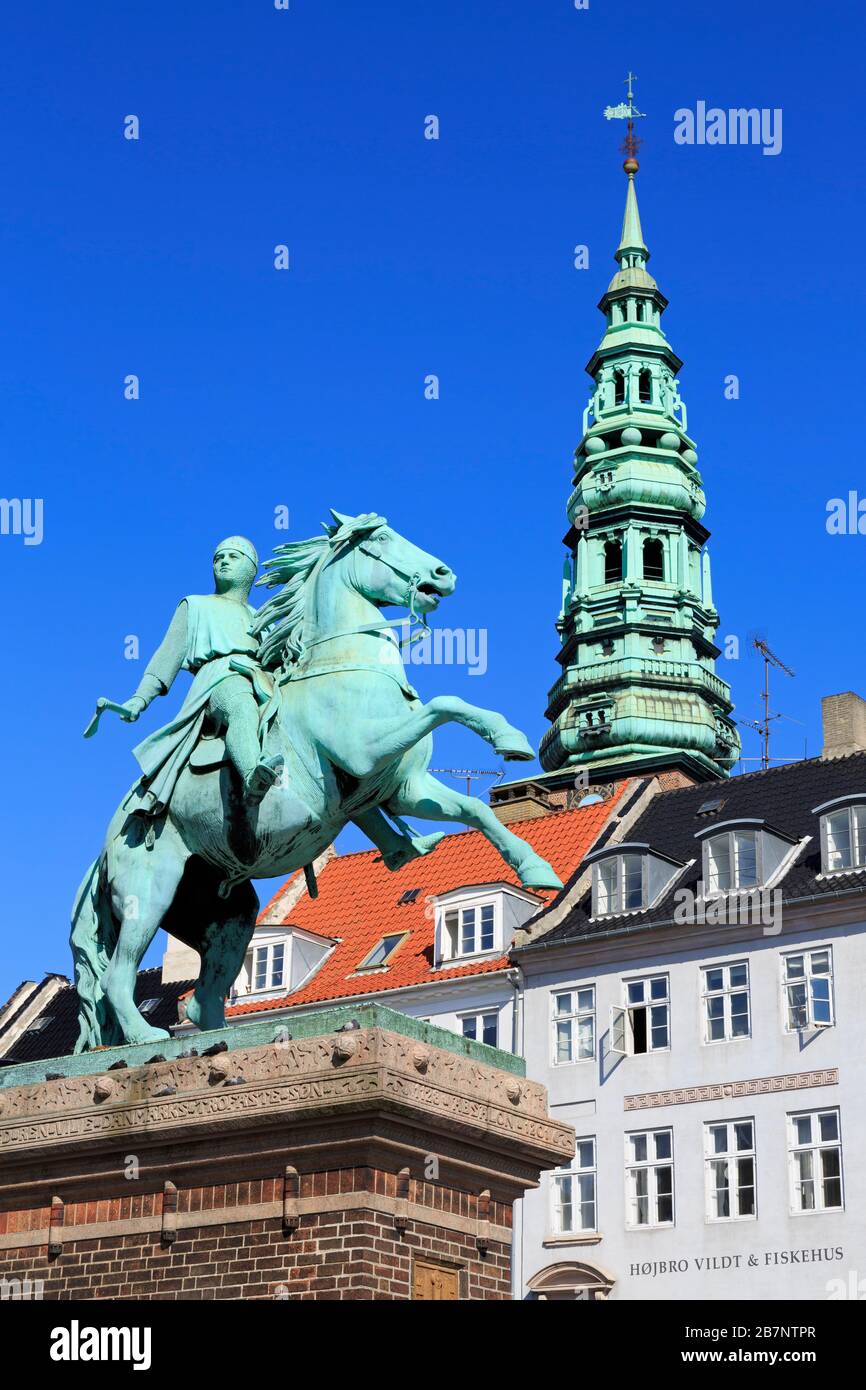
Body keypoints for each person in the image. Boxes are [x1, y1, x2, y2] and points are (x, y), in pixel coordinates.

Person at [119, 536, 283, 815]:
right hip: (220, 677)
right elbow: (166, 657)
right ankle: (252, 775)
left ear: (251, 568)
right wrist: (139, 699)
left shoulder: (262, 617)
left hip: (262, 681)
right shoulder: (195, 605)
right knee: (241, 704)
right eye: (218, 557)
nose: (223, 562)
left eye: (233, 556)